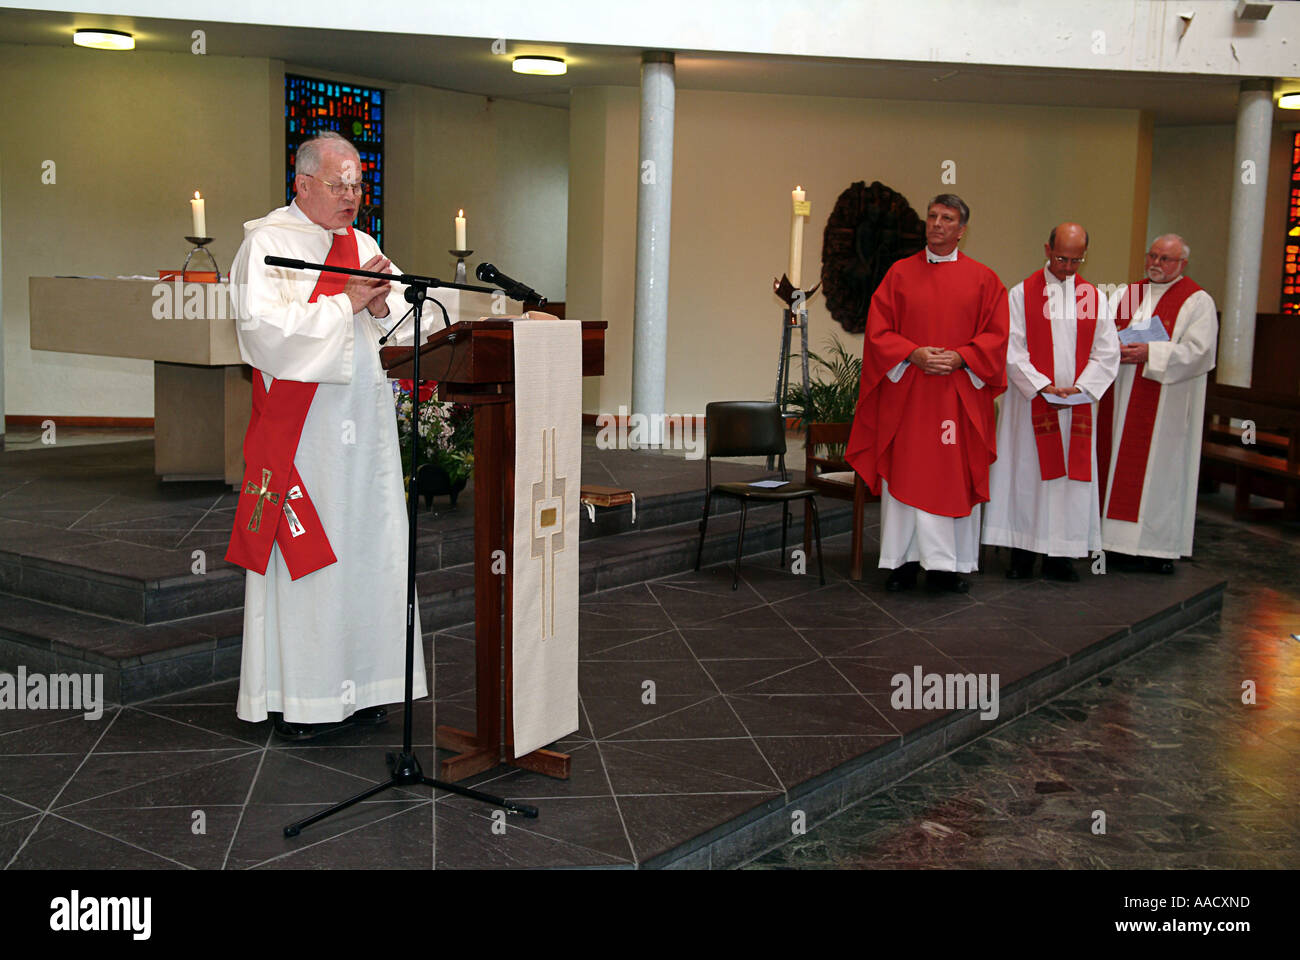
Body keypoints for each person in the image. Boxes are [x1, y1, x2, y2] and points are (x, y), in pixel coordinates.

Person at [225, 131, 432, 739]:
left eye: (357, 185)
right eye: (339, 185)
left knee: (368, 552)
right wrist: (343, 302)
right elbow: (262, 332)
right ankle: (303, 698)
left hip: (362, 435)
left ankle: (367, 686)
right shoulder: (265, 243)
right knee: (308, 564)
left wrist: (378, 307)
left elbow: (398, 319)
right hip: (304, 439)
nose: (351, 196)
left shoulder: (361, 244)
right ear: (302, 183)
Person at [846, 194, 1009, 593]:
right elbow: (878, 333)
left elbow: (997, 337)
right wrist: (912, 353)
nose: (937, 224)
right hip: (910, 397)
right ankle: (900, 563)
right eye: (932, 216)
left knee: (949, 478)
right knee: (906, 472)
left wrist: (962, 357)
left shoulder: (985, 280)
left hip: (957, 397)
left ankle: (946, 567)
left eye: (947, 218)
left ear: (962, 230)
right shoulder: (899, 275)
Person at [982, 223, 1120, 581]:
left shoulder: (1093, 297)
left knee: (1067, 484)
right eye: (1062, 257)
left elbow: (1107, 351)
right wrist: (1043, 388)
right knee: (1026, 477)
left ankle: (1062, 556)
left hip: (1075, 406)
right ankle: (1022, 554)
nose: (1068, 267)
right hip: (1031, 404)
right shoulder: (1021, 295)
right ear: (1047, 249)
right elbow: (1011, 349)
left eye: (1077, 260)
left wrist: (1080, 389)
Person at [1098, 234, 1217, 573]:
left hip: (1165, 405)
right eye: (1153, 256)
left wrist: (1152, 352)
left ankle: (1154, 550)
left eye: (1166, 259)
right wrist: (1114, 349)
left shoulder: (1197, 301)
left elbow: (1201, 353)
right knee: (1113, 462)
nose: (1156, 264)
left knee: (1157, 477)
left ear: (1182, 264)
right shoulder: (1124, 294)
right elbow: (1101, 336)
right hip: (1119, 397)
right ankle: (1109, 544)